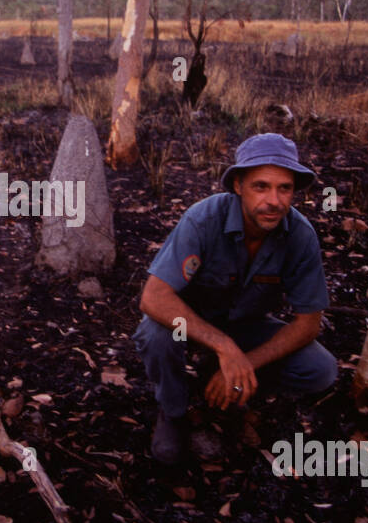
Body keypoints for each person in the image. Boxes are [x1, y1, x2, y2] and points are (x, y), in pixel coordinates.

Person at [133, 133, 338, 465]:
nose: (274, 200)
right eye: (261, 186)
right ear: (239, 185)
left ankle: (234, 386)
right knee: (157, 335)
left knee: (321, 370)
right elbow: (154, 298)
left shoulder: (300, 235)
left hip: (247, 326)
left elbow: (308, 324)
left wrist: (247, 361)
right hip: (191, 323)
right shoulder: (204, 218)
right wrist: (225, 347)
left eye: (284, 188)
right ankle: (173, 410)